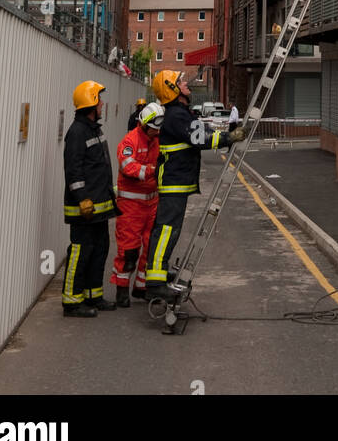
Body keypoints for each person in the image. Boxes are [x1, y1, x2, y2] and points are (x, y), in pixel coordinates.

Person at [144, 71, 245, 295]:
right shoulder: (176, 116)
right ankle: (155, 283)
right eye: (181, 82)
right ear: (172, 89)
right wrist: (229, 138)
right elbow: (201, 138)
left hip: (176, 182)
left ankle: (158, 273)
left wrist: (226, 134)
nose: (186, 83)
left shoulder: (180, 114)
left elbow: (203, 131)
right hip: (173, 182)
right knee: (166, 229)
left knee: (170, 229)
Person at [62, 80, 119, 317]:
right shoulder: (77, 133)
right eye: (99, 100)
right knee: (81, 252)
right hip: (84, 210)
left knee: (99, 251)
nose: (103, 104)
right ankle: (72, 302)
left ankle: (93, 296)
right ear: (91, 103)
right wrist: (82, 198)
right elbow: (73, 171)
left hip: (99, 209)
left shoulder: (94, 129)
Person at [112, 102, 164, 307]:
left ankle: (141, 287)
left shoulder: (156, 139)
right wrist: (152, 170)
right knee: (129, 250)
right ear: (144, 124)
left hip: (152, 202)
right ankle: (121, 289)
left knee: (151, 247)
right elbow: (128, 167)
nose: (156, 132)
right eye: (153, 129)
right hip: (130, 206)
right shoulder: (129, 141)